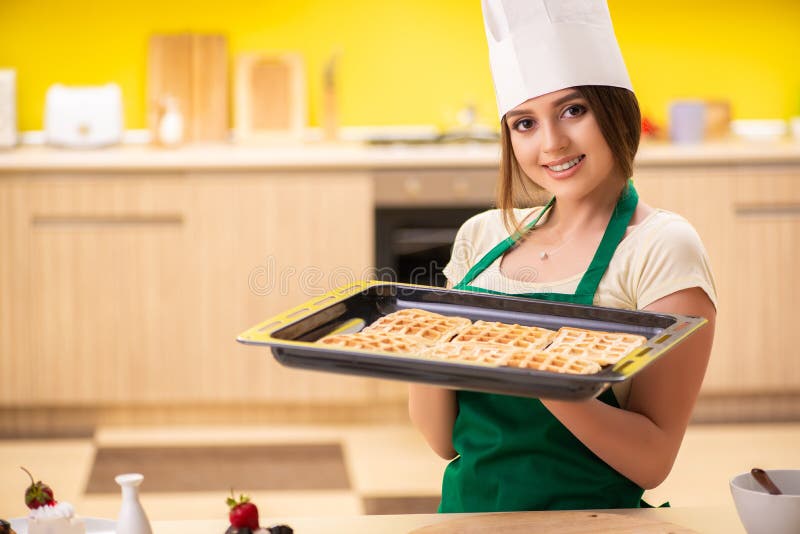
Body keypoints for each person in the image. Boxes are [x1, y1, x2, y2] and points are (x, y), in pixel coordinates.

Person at [408, 0, 717, 513]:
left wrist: (544, 379)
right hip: (466, 520)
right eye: (524, 123)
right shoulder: (480, 237)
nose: (551, 143)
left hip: (592, 524)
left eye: (574, 110)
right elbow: (445, 441)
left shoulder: (661, 248)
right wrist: (423, 346)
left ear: (615, 109)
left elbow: (653, 461)